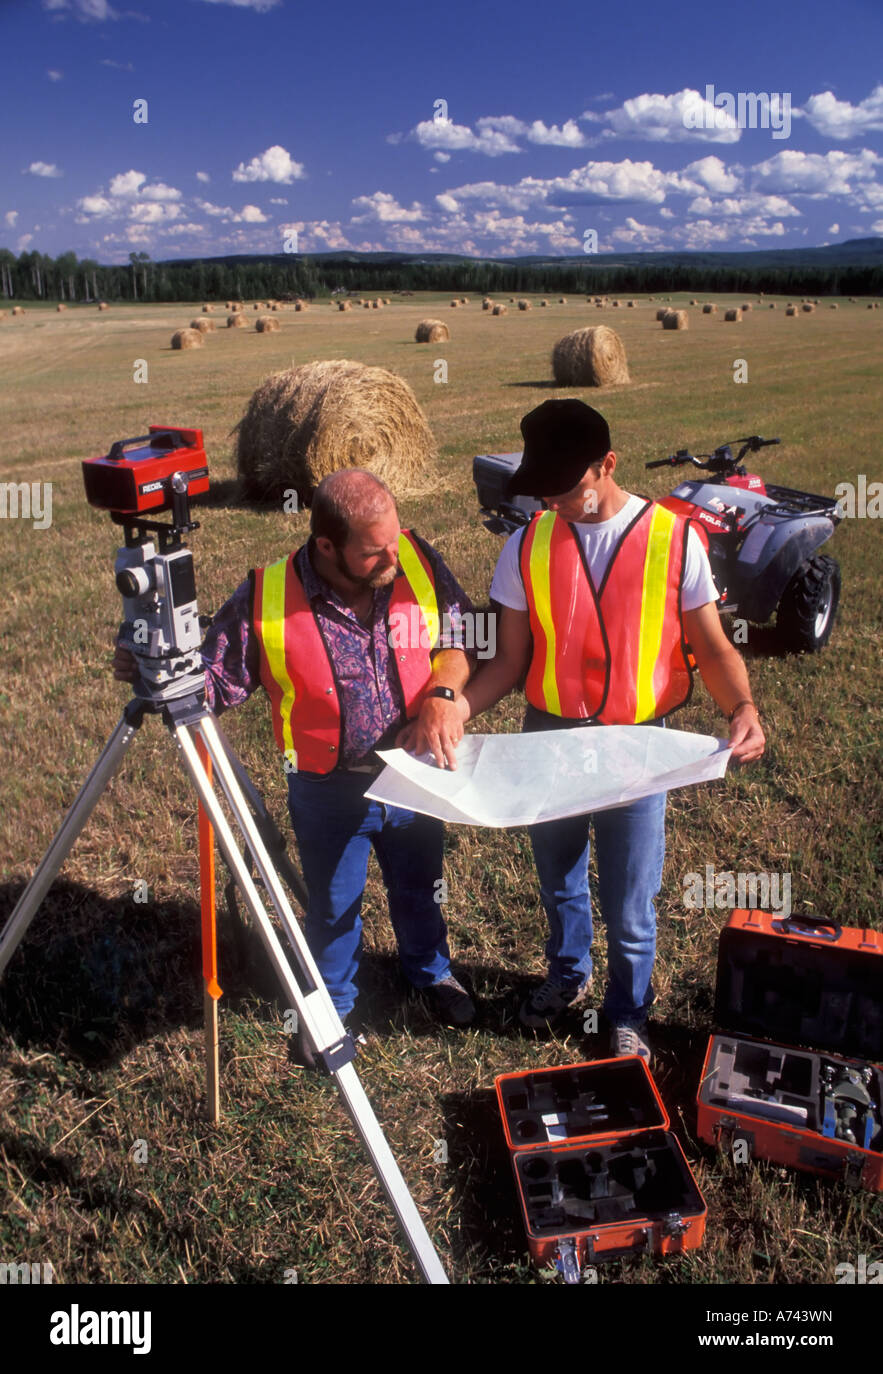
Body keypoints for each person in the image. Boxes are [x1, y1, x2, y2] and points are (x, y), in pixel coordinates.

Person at [414, 400, 765, 1063]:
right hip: (549, 740)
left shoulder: (674, 540)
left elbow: (712, 647)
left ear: (606, 465)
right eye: (543, 491)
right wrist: (460, 706)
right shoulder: (526, 544)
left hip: (637, 747)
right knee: (558, 882)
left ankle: (627, 1010)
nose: (553, 503)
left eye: (566, 489)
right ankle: (565, 976)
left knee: (629, 902)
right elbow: (510, 660)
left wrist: (739, 706)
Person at [114, 469, 476, 1059]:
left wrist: (443, 693)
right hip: (326, 789)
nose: (394, 554)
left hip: (414, 772)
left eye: (395, 539)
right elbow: (215, 684)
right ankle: (332, 1009)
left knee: (420, 888)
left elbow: (459, 636)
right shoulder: (267, 595)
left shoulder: (412, 556)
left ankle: (430, 972)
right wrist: (157, 670)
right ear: (327, 546)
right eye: (375, 549)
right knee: (333, 908)